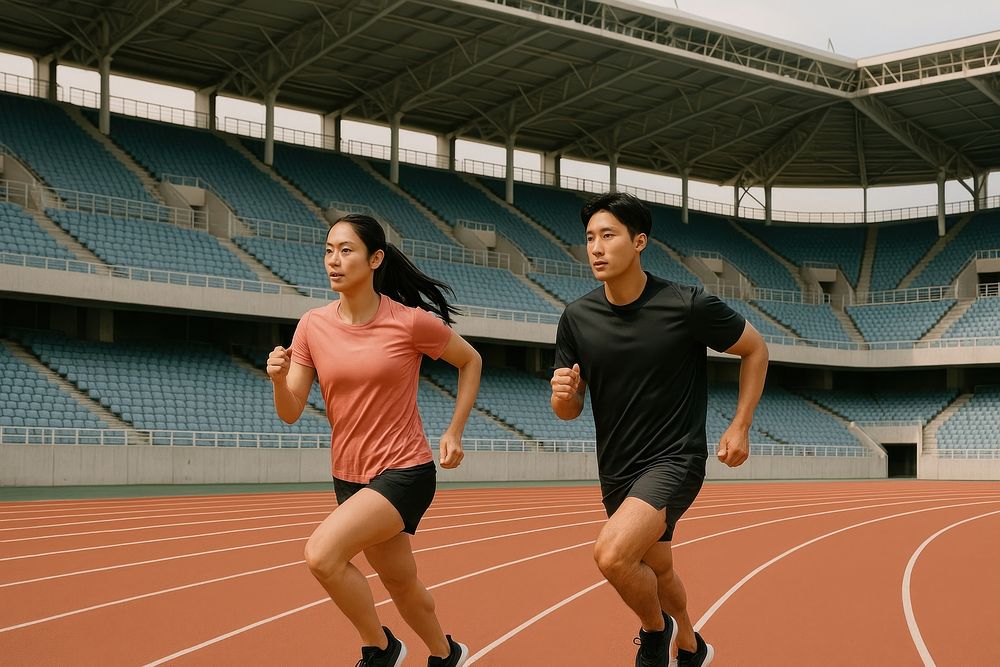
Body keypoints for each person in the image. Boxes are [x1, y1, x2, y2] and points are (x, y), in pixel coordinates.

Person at [549, 192, 768, 667]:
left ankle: (656, 630)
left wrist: (741, 424)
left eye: (609, 235)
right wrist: (564, 396)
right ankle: (691, 645)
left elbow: (755, 349)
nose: (596, 248)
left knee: (612, 555)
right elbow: (568, 410)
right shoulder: (576, 318)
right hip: (617, 468)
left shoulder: (686, 305)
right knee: (658, 567)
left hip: (675, 458)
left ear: (639, 241)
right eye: (590, 237)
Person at [267, 213, 480, 667]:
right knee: (401, 582)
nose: (334, 260)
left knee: (322, 555)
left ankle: (381, 648)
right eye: (328, 250)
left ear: (375, 259)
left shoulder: (409, 322)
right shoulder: (311, 326)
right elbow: (290, 411)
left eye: (346, 250)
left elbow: (470, 361)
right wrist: (279, 380)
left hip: (404, 470)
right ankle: (447, 655)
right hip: (348, 476)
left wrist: (455, 430)